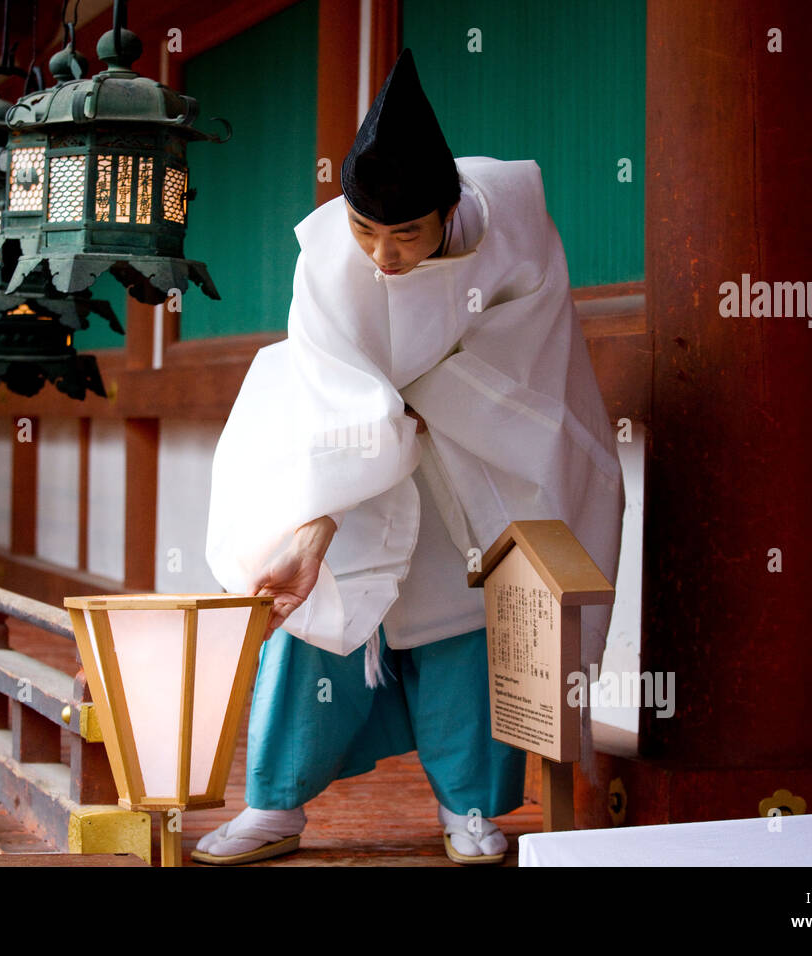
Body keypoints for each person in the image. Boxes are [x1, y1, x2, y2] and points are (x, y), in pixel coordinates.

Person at [199, 49, 624, 864]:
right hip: (355, 468)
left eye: (405, 235)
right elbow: (329, 389)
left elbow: (529, 357)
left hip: (475, 461)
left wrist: (425, 396)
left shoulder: (512, 225)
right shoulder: (328, 259)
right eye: (365, 231)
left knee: (470, 620)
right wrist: (312, 529)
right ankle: (274, 804)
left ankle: (467, 806)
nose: (383, 257)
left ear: (448, 211)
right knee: (316, 613)